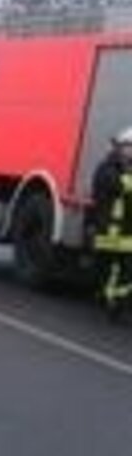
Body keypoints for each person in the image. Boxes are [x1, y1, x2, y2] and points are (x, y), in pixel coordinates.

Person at [90, 126, 132, 322]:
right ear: (121, 147)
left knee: (121, 270)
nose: (131, 152)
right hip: (111, 232)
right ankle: (112, 304)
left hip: (123, 232)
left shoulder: (120, 168)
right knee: (116, 269)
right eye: (129, 147)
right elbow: (122, 186)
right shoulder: (107, 170)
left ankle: (115, 302)